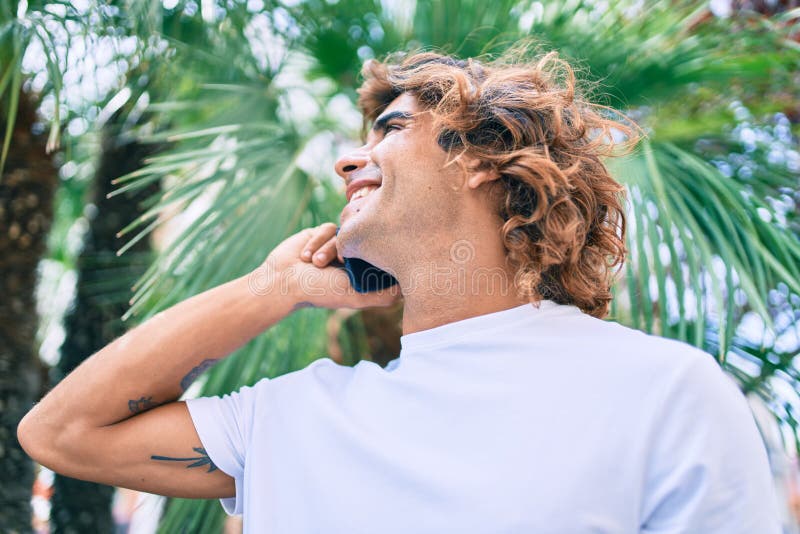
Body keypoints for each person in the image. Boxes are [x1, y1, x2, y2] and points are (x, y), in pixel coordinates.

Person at [18, 48, 780, 533]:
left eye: (389, 129)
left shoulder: (661, 391)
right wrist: (273, 286)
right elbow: (60, 435)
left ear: (484, 158)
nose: (349, 161)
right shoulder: (291, 418)